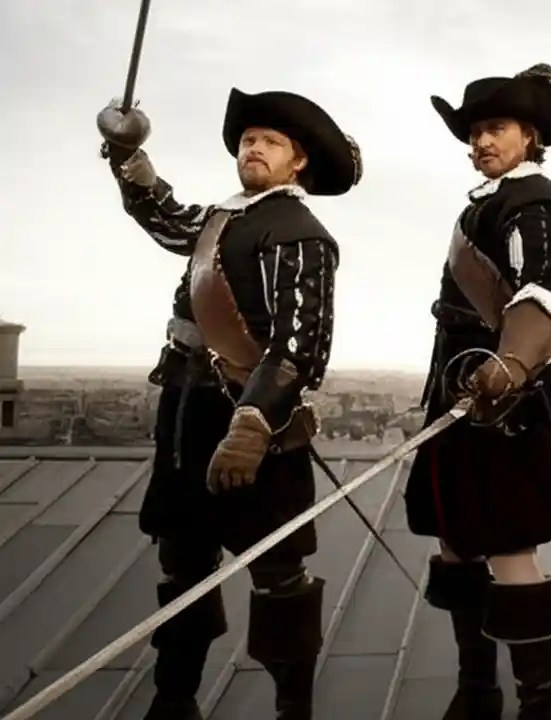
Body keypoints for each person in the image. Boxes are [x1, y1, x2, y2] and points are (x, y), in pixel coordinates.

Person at [97, 87, 362, 720]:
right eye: (248, 141)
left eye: (270, 142)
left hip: (254, 423)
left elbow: (299, 349)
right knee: (182, 564)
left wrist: (251, 425)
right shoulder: (220, 219)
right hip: (188, 412)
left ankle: (292, 709)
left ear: (297, 162)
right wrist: (127, 152)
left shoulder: (302, 233)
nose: (253, 149)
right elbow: (161, 216)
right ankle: (175, 699)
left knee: (278, 578)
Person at [403, 64, 551, 720]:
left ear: (530, 136)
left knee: (510, 550)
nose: (482, 140)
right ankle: (476, 690)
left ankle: (535, 709)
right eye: (476, 130)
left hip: (502, 392)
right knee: (457, 544)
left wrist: (509, 366)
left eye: (496, 128)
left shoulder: (535, 200)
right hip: (458, 387)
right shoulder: (482, 203)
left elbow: (545, 291)